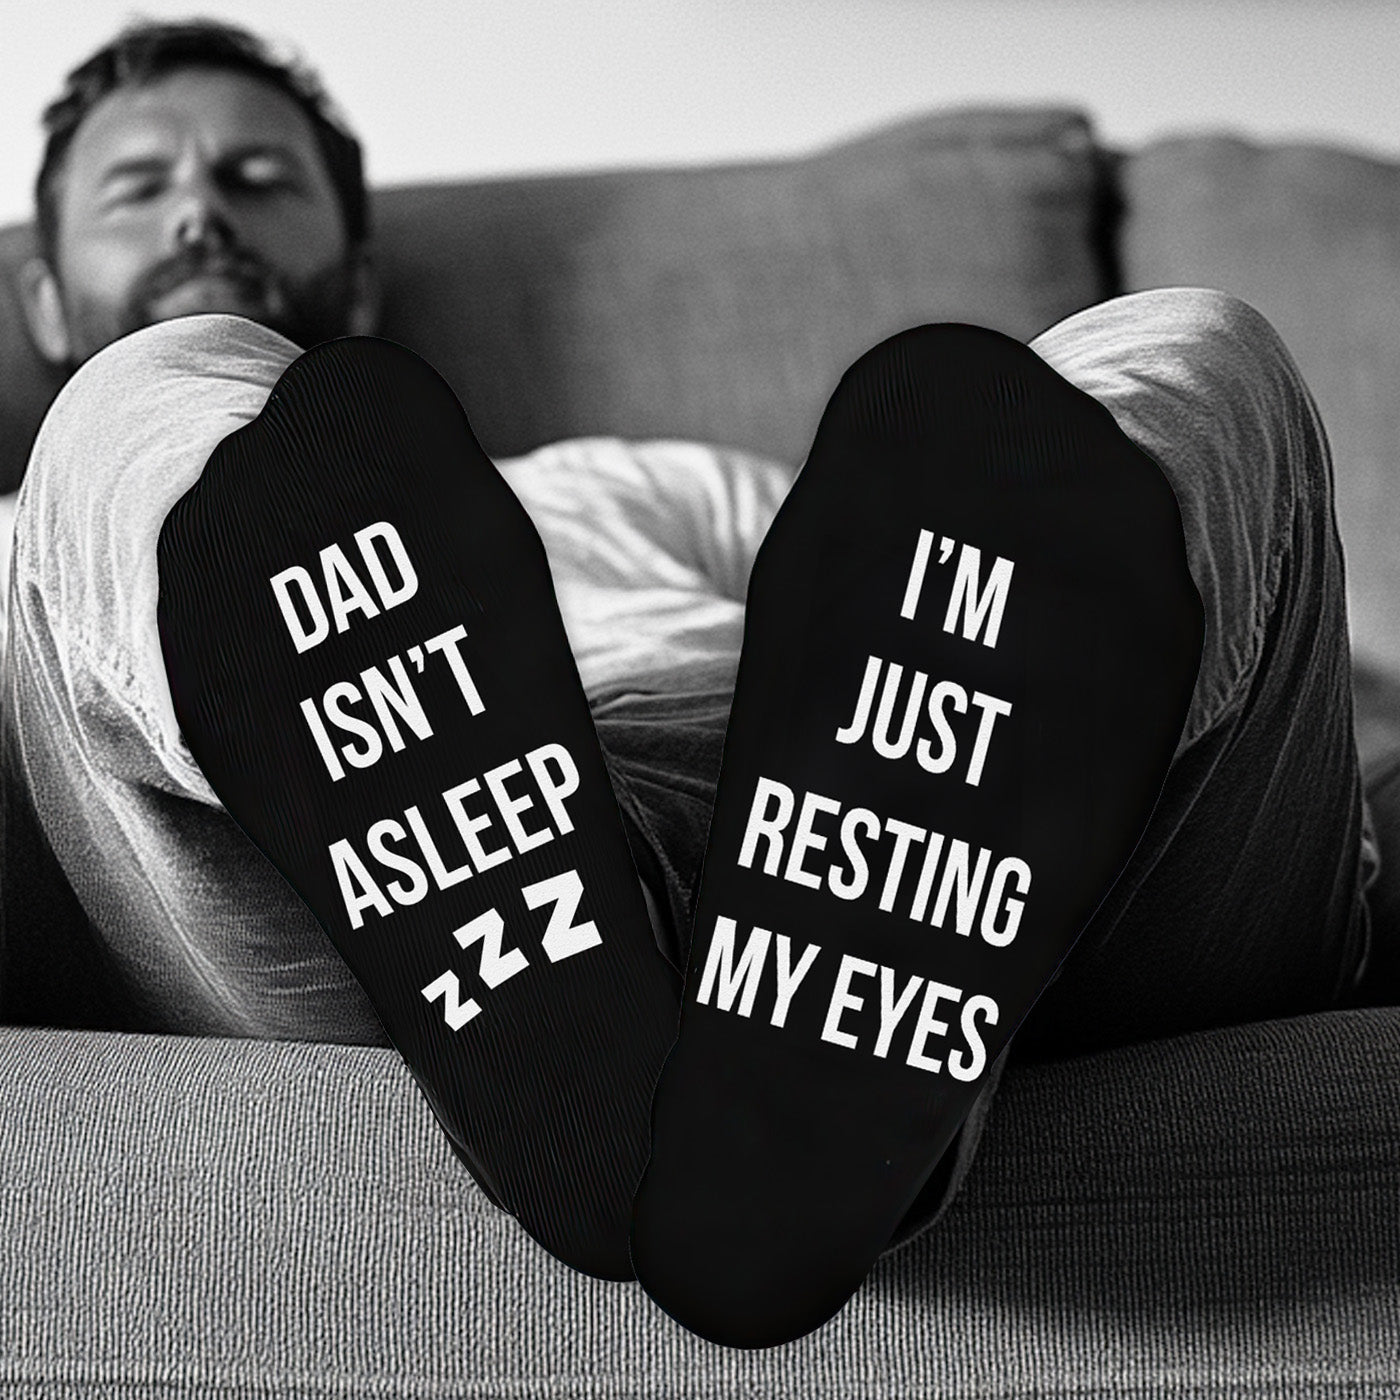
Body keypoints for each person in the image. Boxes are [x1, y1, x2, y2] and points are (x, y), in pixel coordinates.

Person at [0, 18, 1385, 1259]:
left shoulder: (635, 478)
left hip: (881, 808)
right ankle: (526, 902)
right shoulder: (43, 553)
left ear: (361, 285)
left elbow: (898, 585)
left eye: (257, 178)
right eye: (139, 188)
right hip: (342, 871)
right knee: (150, 398)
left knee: (1192, 353)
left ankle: (842, 941)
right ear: (43, 301)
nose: (202, 211)